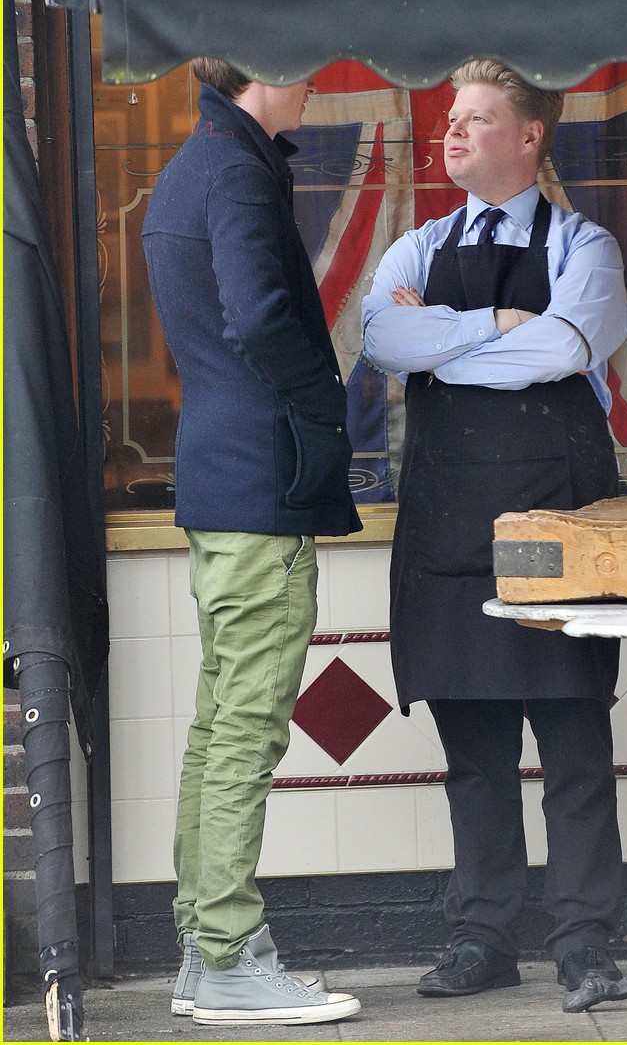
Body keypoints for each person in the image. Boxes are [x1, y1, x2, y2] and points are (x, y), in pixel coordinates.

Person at [362, 59, 627, 998]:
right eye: (450, 116)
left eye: (477, 118)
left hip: (558, 525)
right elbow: (385, 342)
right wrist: (500, 325)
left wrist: (449, 341)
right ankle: (482, 938)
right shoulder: (414, 246)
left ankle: (586, 940)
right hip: (448, 532)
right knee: (473, 755)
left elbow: (565, 348)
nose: (452, 130)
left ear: (530, 138)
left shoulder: (585, 248)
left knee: (574, 746)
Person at [142, 58, 362, 1027]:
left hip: (218, 476)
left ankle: (206, 949)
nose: (316, 77)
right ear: (258, 65)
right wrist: (320, 400)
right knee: (247, 726)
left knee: (219, 720)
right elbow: (258, 313)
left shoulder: (197, 161)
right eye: (302, 58)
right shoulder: (233, 167)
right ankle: (229, 954)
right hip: (258, 481)